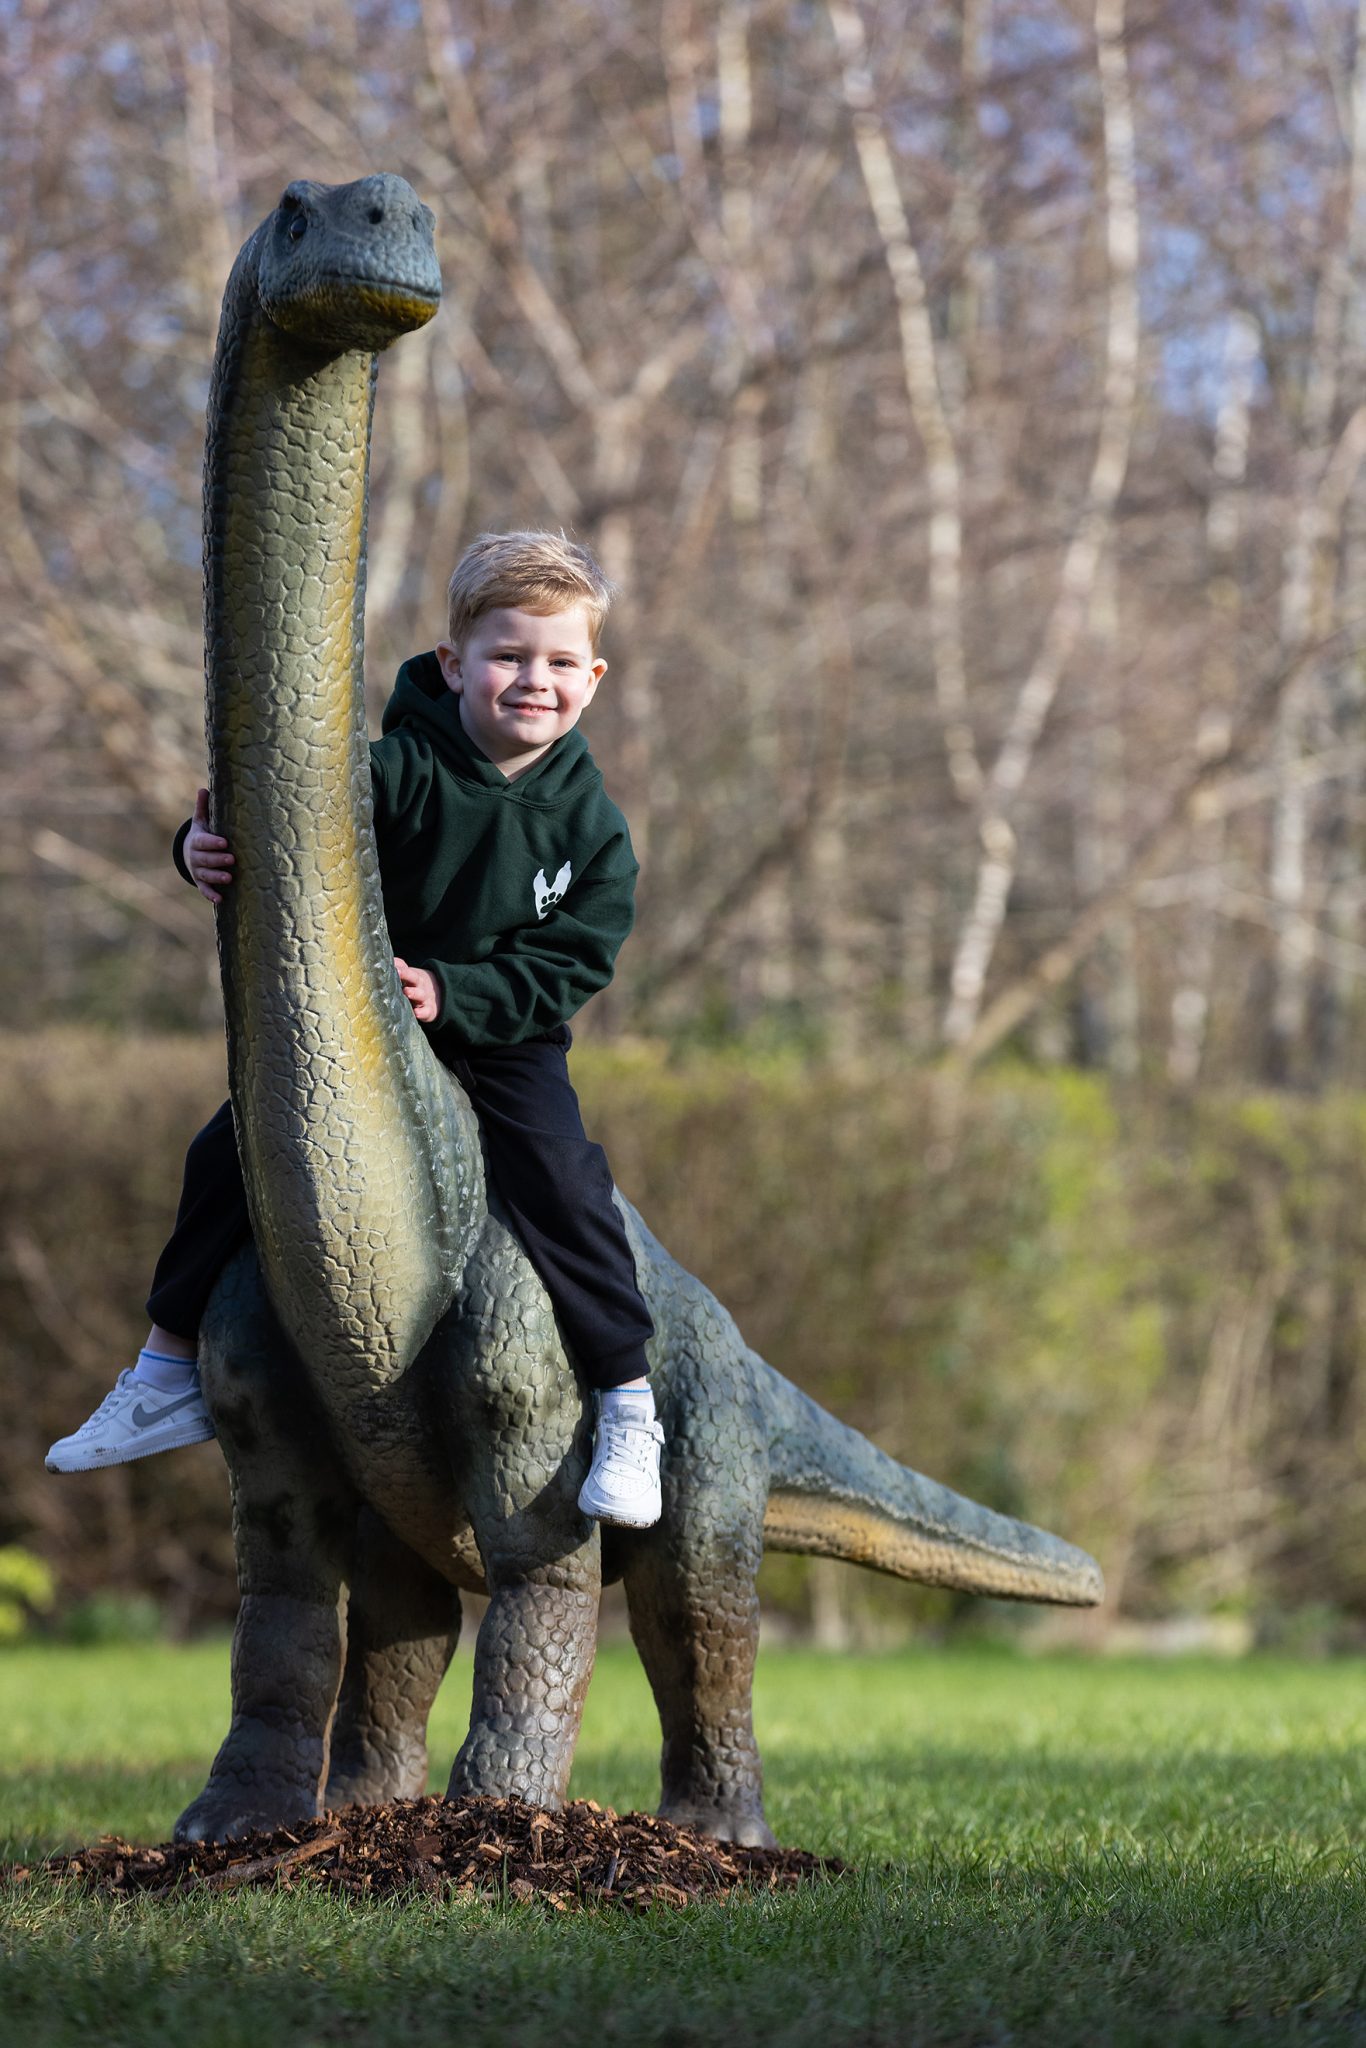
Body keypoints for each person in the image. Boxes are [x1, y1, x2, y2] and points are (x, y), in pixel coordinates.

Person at [45, 530, 664, 1528]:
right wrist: (197, 845)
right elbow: (280, 825)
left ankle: (627, 1400)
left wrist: (457, 993)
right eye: (508, 655)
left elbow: (575, 960)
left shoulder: (593, 827)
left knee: (563, 1177)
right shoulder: (396, 771)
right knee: (237, 1145)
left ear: (592, 675)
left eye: (558, 662)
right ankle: (165, 1368)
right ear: (456, 664)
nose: (532, 679)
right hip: (362, 1021)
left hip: (503, 1030)